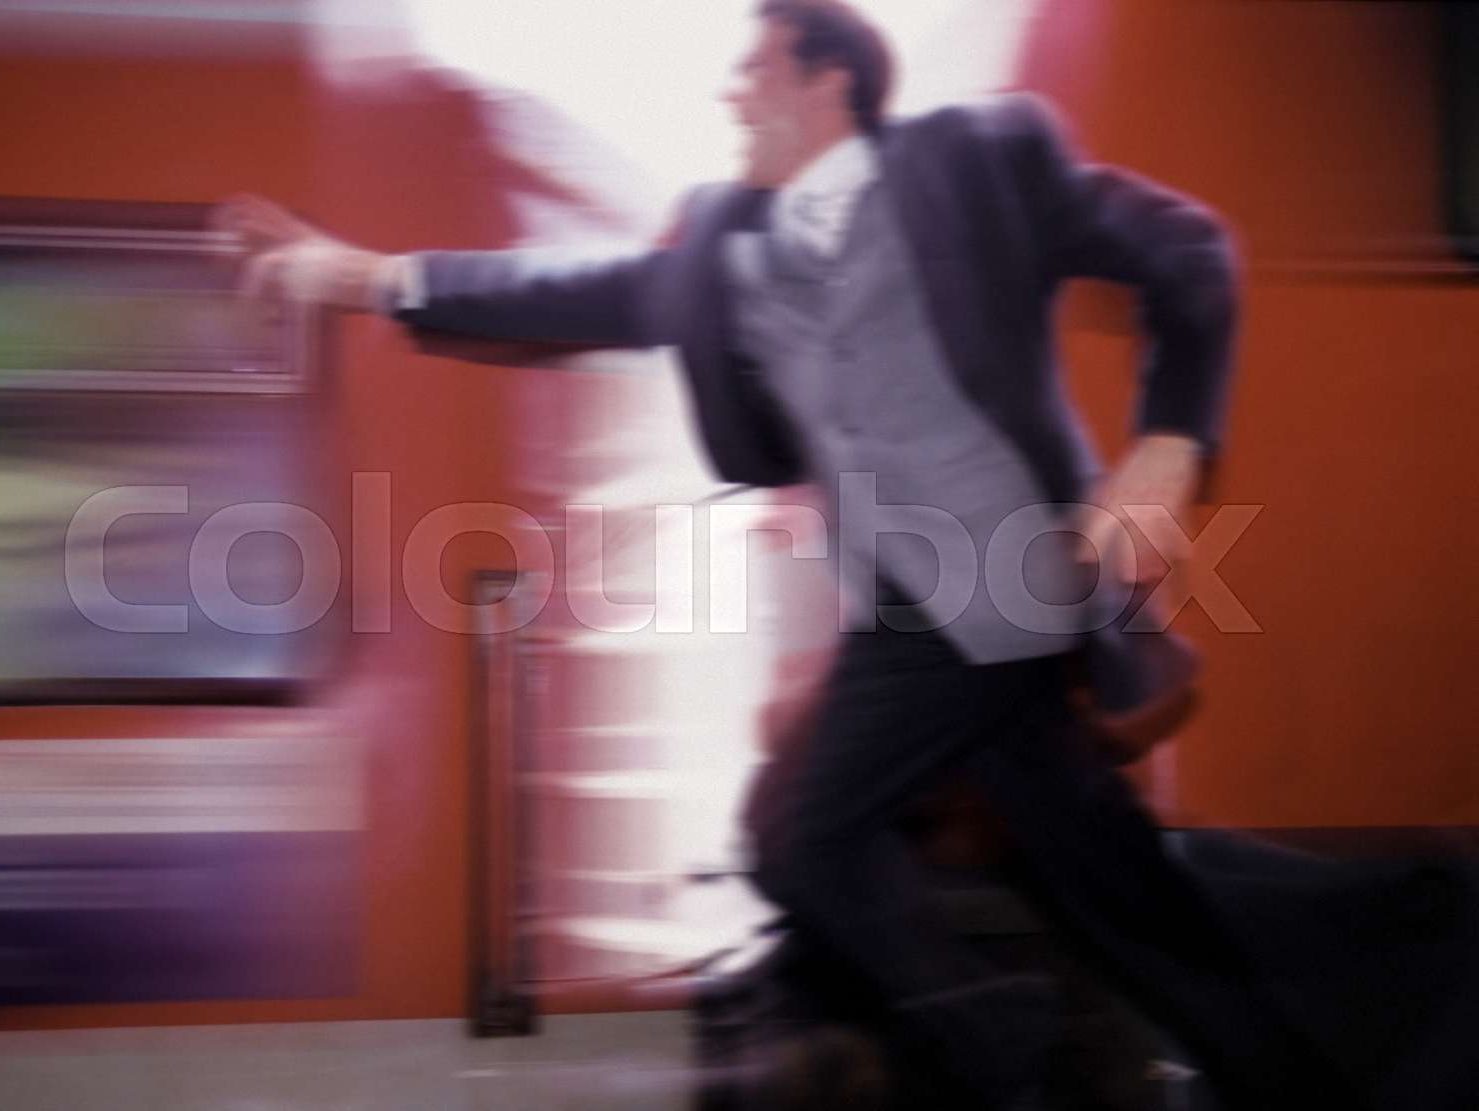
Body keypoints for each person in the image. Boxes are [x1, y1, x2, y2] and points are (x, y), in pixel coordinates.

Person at [218, 3, 1363, 1107]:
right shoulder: (721, 246)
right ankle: (1319, 1019)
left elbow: (1187, 252)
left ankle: (1024, 1053)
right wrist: (367, 277)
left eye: (753, 67)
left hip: (1016, 578)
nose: (729, 90)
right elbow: (569, 291)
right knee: (1111, 889)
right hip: (910, 607)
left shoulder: (980, 155)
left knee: (803, 841)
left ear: (829, 81)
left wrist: (1167, 446)